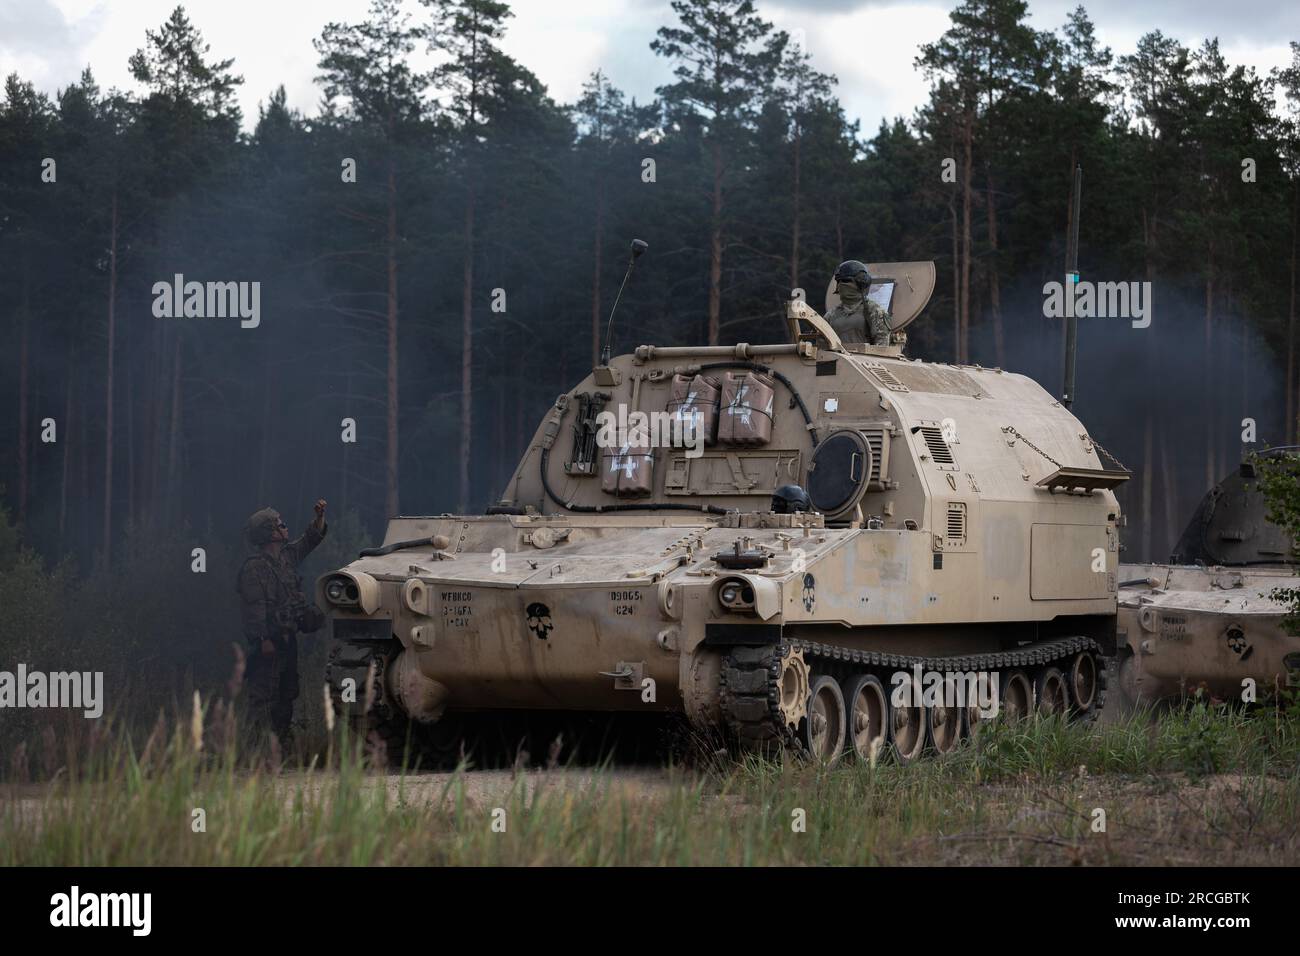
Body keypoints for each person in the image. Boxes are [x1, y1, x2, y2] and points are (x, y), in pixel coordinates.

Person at [237, 498, 328, 748]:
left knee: (286, 695)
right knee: (264, 698)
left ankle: (277, 750)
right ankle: (256, 752)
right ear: (270, 533)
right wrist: (263, 640)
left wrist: (319, 517)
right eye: (280, 525)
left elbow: (310, 540)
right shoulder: (254, 569)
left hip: (287, 641)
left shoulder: (286, 557)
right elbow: (254, 609)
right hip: (270, 644)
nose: (285, 528)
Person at [824, 260, 893, 346]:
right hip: (838, 359)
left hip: (866, 359)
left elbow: (882, 347)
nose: (841, 285)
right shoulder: (830, 315)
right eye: (839, 281)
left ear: (861, 283)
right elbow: (822, 346)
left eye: (846, 281)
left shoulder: (874, 311)